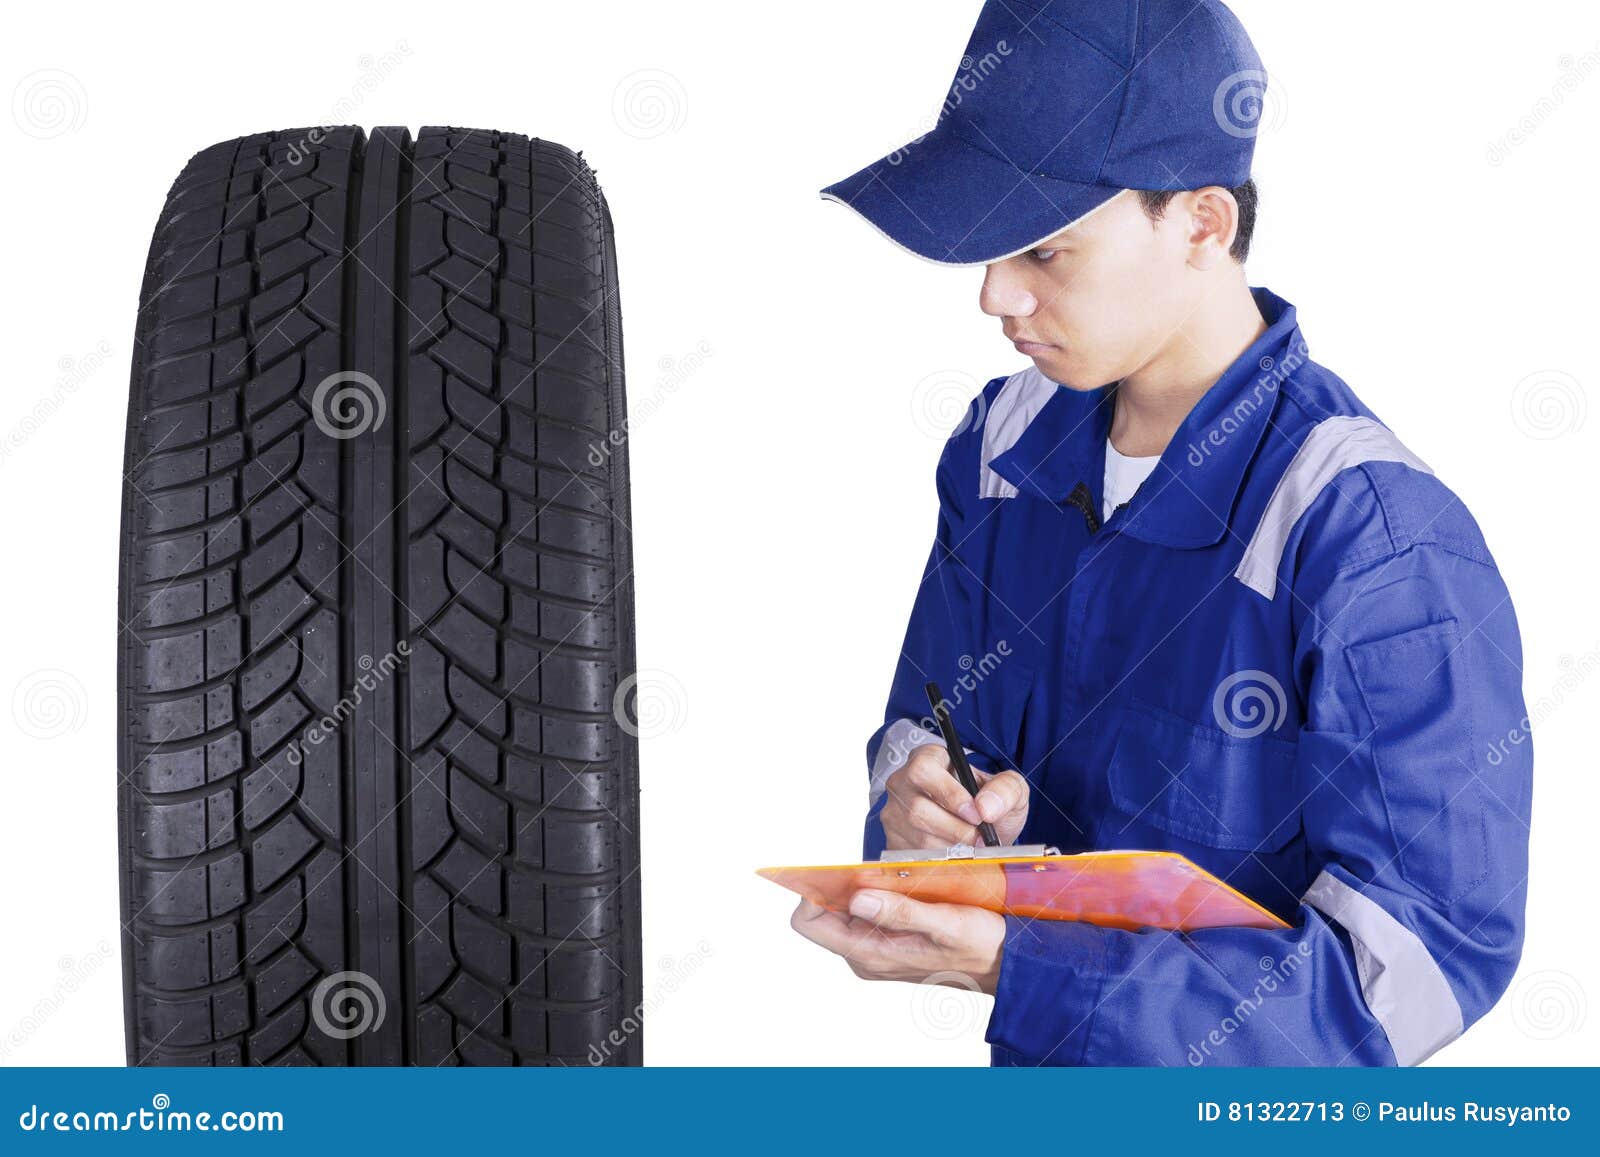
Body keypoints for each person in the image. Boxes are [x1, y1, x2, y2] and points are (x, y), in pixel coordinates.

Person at [790, 0, 1531, 1067]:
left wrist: (1024, 965)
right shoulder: (1001, 450)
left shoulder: (1372, 537)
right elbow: (936, 723)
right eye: (992, 247)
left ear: (1200, 224)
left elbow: (1408, 973)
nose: (995, 294)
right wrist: (922, 814)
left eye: (1045, 251)